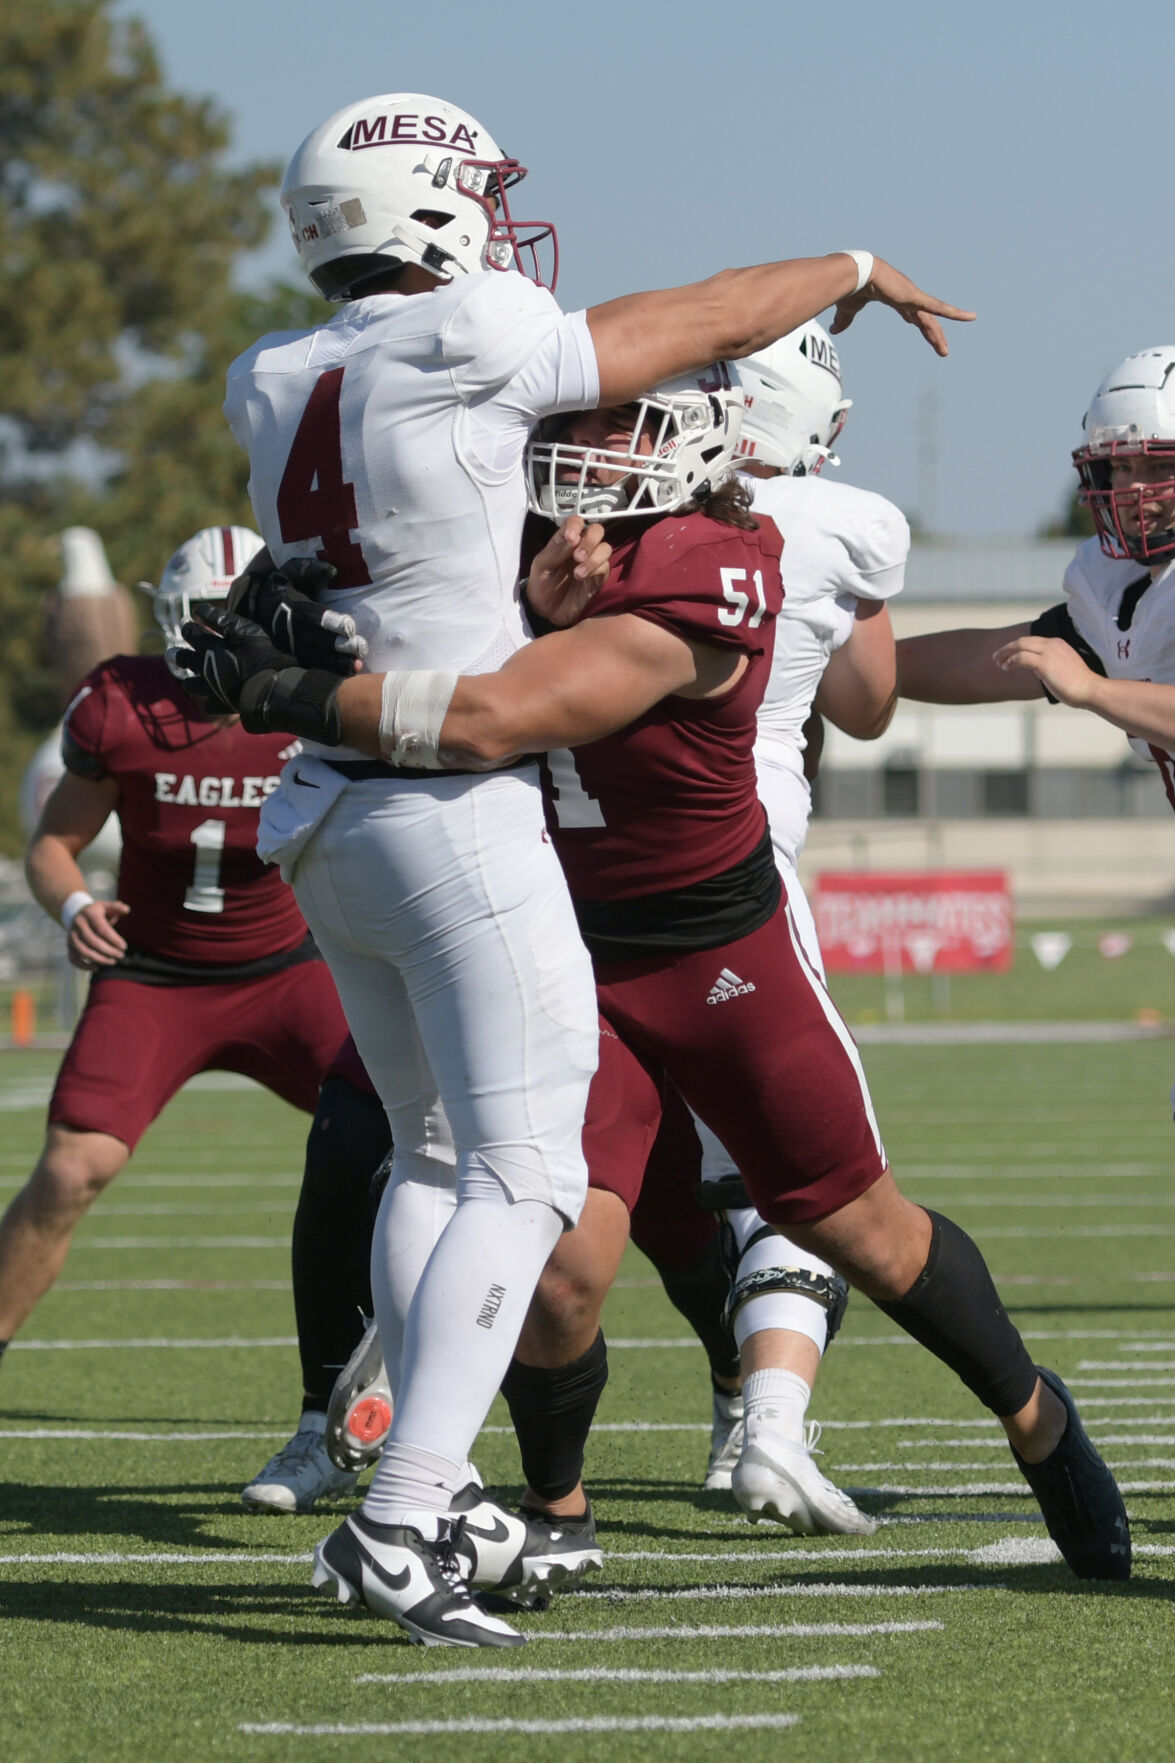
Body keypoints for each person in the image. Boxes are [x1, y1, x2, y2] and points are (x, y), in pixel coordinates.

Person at [193, 86, 975, 1648]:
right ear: (426, 209)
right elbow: (680, 321)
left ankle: (428, 1480)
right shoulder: (465, 332)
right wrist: (847, 264)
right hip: (449, 806)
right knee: (529, 1171)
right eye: (471, 196)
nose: (498, 226)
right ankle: (408, 1509)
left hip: (323, 809)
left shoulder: (269, 375)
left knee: (426, 1154)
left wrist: (522, 579)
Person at [185, 370, 1131, 1606]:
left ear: (698, 449)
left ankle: (1033, 1418)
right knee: (555, 1260)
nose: (583, 453)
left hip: (714, 950)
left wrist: (284, 690)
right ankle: (555, 1505)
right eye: (572, 428)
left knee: (864, 1229)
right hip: (559, 938)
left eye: (615, 432)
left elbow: (498, 716)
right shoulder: (509, 540)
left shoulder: (717, 554)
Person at [0, 525, 373, 1514]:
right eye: (188, 628)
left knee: (378, 1135)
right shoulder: (121, 699)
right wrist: (75, 905)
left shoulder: (316, 692)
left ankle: (358, 1391)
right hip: (156, 971)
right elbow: (54, 845)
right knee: (74, 1166)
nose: (202, 648)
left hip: (290, 968)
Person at [628, 321, 907, 1532]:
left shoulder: (630, 514)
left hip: (590, 868)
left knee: (565, 1170)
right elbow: (868, 705)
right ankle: (773, 1429)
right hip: (743, 874)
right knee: (811, 1176)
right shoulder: (843, 523)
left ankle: (471, 1469)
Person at [898, 347, 1175, 774]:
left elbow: (1080, 681)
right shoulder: (1122, 586)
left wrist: (1093, 689)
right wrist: (860, 667)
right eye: (1121, 464)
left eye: (1159, 466)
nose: (1134, 487)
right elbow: (989, 661)